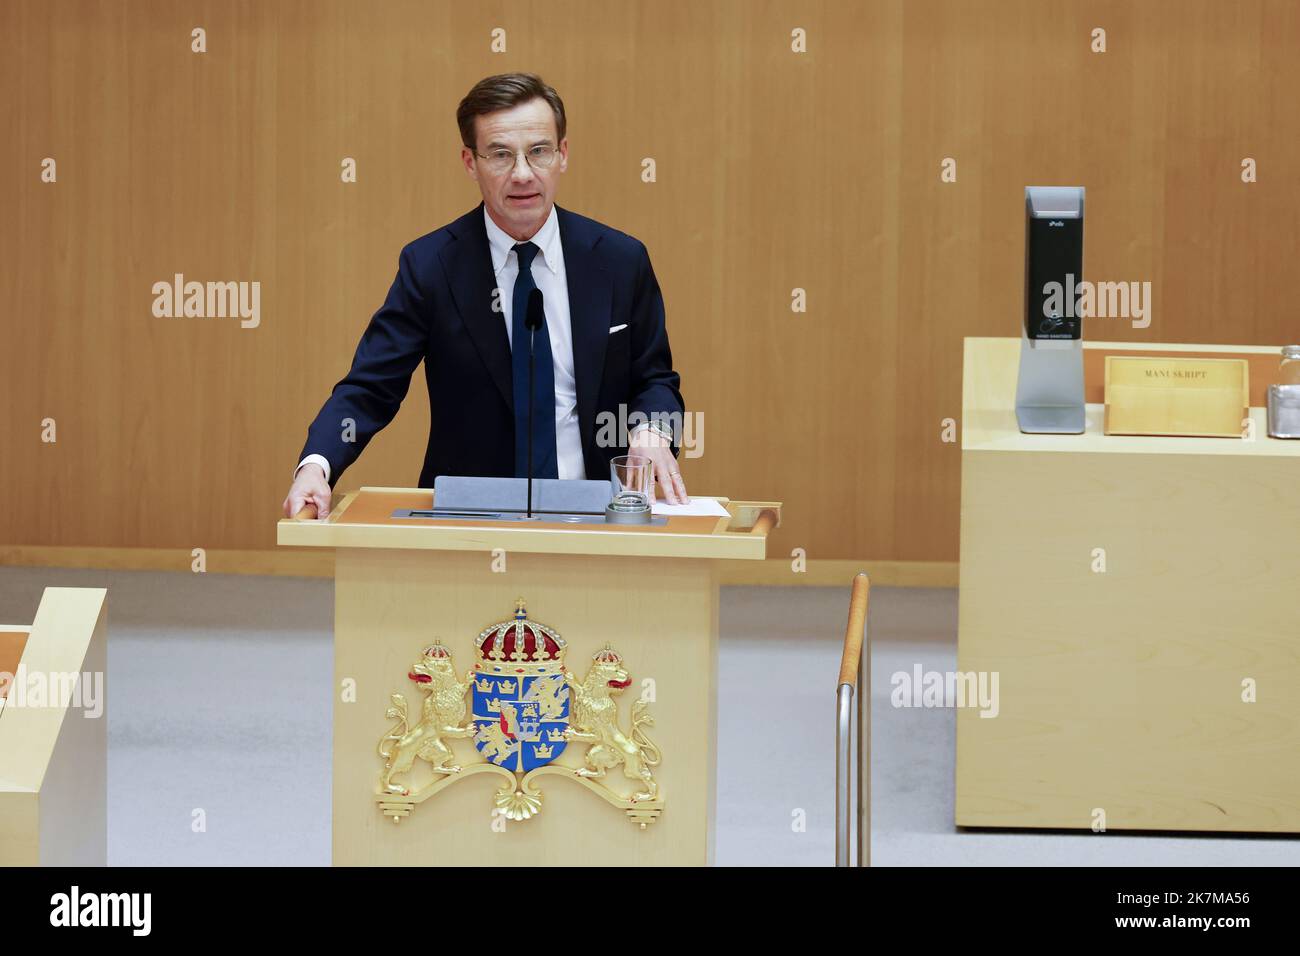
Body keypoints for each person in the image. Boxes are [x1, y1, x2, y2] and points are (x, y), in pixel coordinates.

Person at [282, 72, 687, 519]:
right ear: (470, 162)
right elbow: (371, 386)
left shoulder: (619, 260)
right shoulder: (432, 265)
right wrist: (316, 466)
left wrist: (652, 430)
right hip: (470, 517)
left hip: (596, 511)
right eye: (500, 155)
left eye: (539, 152)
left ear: (563, 154)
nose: (522, 174)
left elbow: (656, 379)